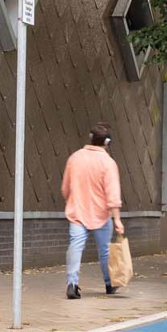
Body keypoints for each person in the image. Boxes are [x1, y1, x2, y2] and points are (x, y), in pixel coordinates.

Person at [61, 122, 124, 299]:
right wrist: (117, 219)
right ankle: (109, 283)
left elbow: (65, 188)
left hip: (77, 212)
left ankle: (72, 284)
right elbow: (112, 193)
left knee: (75, 247)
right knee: (104, 250)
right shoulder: (108, 163)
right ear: (107, 143)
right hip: (101, 215)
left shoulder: (74, 158)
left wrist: (72, 201)